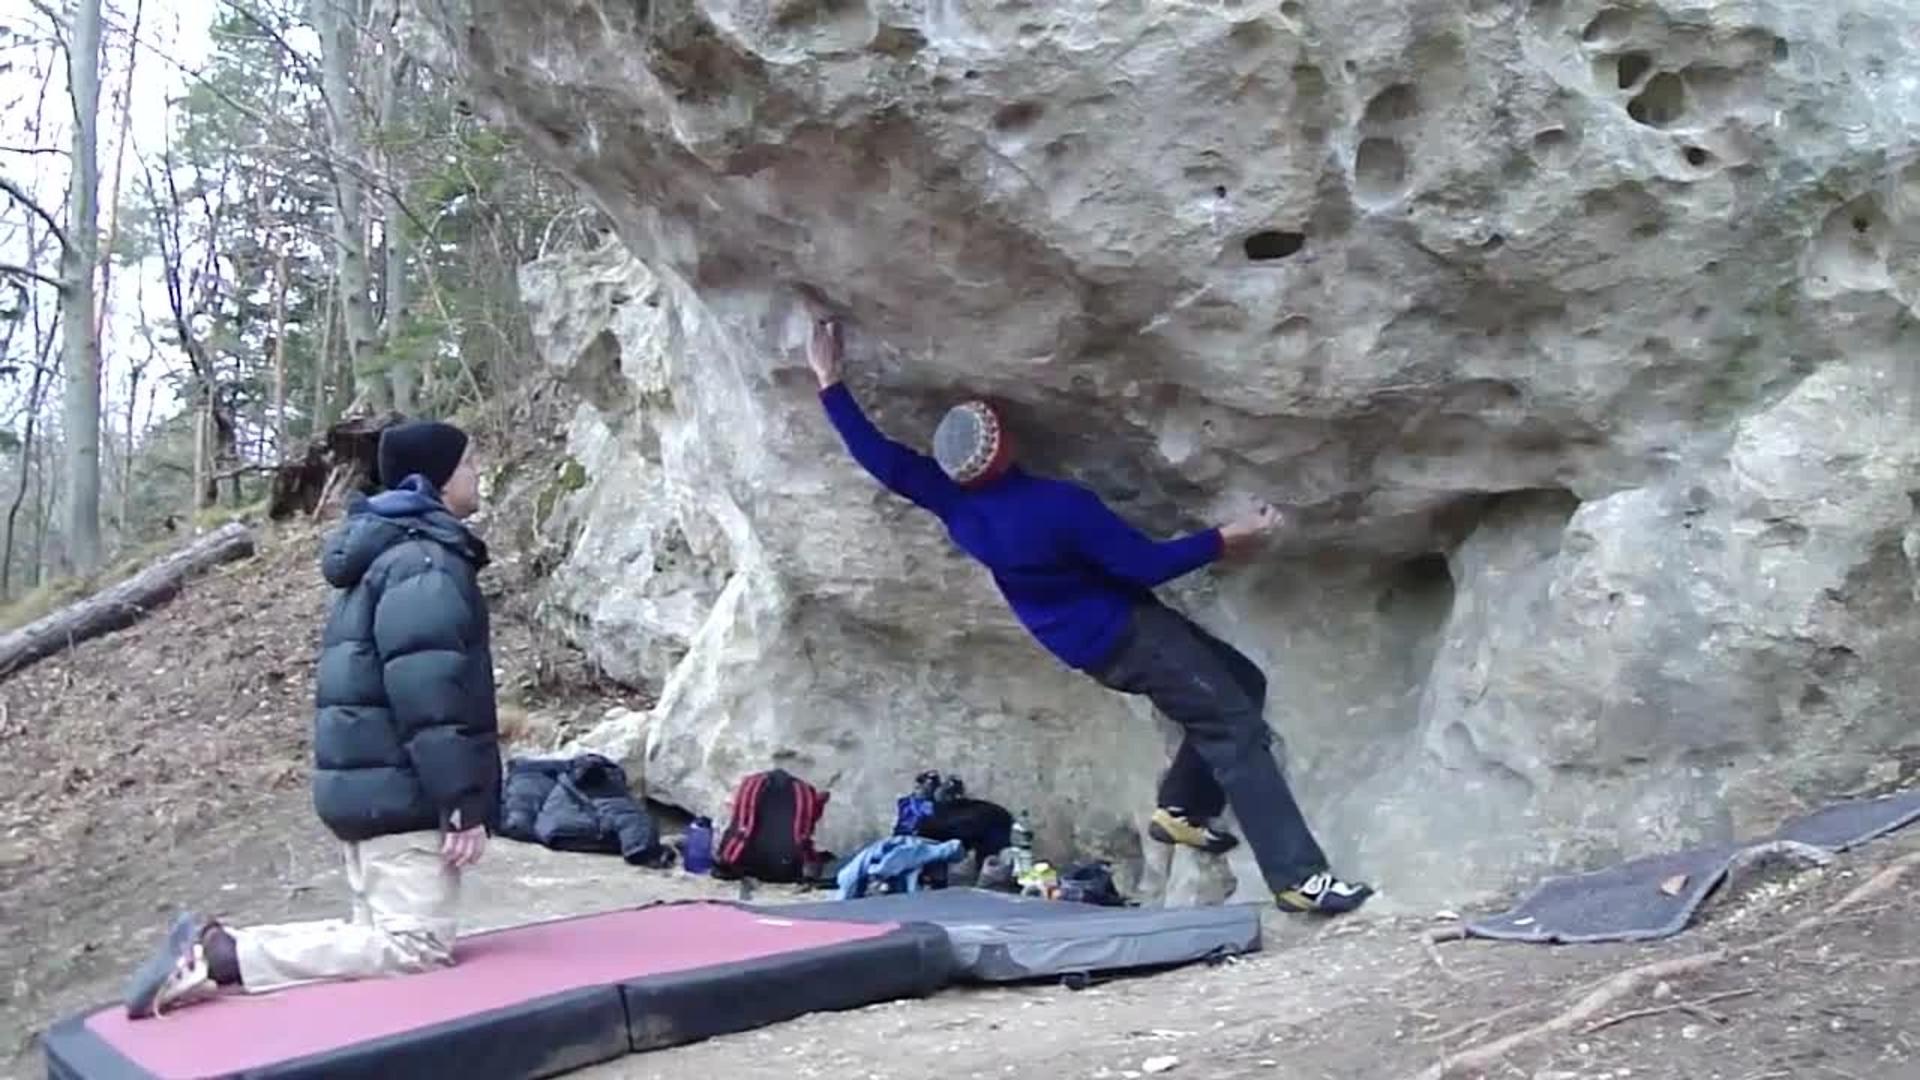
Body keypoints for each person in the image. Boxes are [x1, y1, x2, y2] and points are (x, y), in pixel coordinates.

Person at [806, 317, 1371, 914]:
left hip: (1085, 643)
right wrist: (1228, 537)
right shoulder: (1057, 508)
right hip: (1131, 633)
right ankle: (1299, 880)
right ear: (1003, 451)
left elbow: (881, 458)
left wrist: (829, 380)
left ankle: (1180, 809)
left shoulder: (952, 501)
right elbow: (1142, 566)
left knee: (1241, 681)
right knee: (1233, 727)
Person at [122, 420, 503, 1017]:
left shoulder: (384, 555)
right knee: (415, 947)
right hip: (401, 795)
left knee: (377, 934)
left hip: (370, 789)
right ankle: (224, 958)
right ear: (436, 477)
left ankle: (219, 949)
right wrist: (460, 802)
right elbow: (432, 695)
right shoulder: (423, 562)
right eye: (469, 460)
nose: (478, 471)